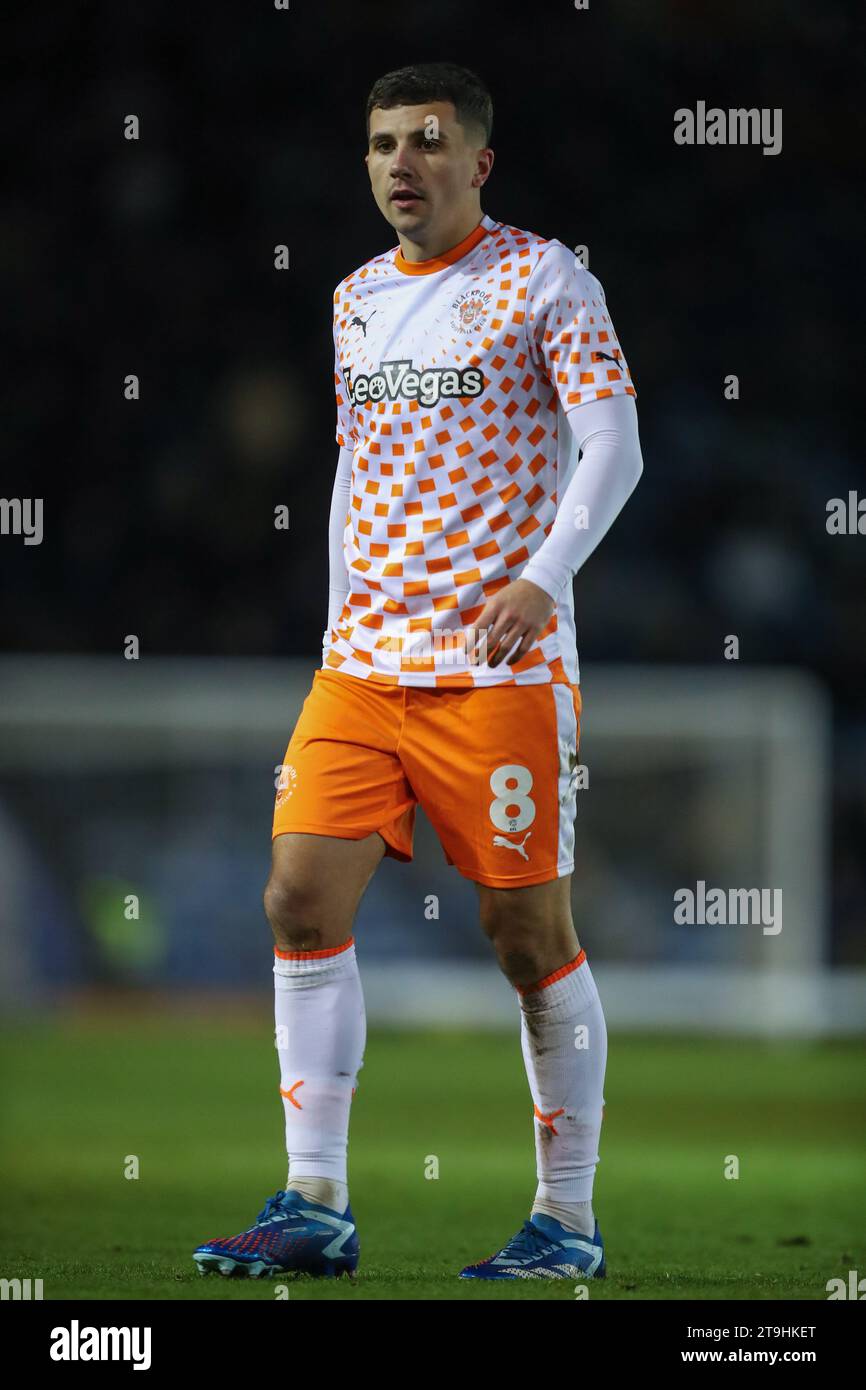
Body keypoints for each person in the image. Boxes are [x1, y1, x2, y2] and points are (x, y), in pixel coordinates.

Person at [194, 60, 643, 1282]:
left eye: (428, 141)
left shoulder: (544, 278)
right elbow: (357, 470)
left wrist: (541, 579)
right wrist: (340, 615)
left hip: (497, 663)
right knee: (297, 897)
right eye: (384, 142)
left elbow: (613, 442)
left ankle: (565, 1219)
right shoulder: (349, 300)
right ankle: (315, 1199)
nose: (402, 162)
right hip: (364, 661)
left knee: (520, 929)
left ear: (477, 162)